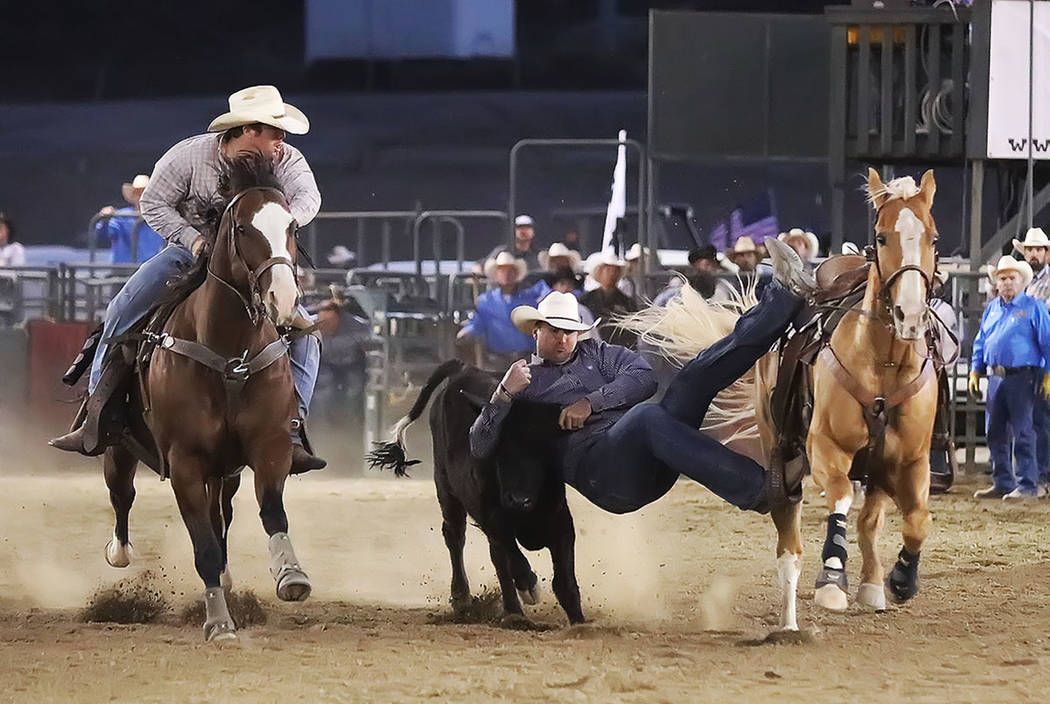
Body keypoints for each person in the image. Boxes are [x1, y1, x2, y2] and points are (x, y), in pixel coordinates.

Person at [51, 85, 326, 473]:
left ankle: (291, 430)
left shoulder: (288, 161)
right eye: (274, 132)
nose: (282, 142)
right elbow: (153, 203)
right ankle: (96, 413)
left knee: (306, 335)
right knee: (121, 311)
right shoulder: (189, 156)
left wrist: (278, 224)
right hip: (186, 254)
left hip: (253, 262)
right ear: (248, 129)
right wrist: (193, 239)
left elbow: (308, 199)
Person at [469, 237, 816, 516]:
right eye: (555, 331)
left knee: (694, 375)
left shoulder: (598, 354)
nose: (563, 339)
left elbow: (644, 378)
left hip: (645, 457)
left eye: (569, 331)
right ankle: (757, 489)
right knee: (647, 416)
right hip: (602, 476)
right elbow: (479, 445)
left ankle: (783, 299)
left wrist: (591, 402)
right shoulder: (524, 383)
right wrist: (502, 396)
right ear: (536, 332)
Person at [969, 256, 1050, 501]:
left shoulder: (1034, 307)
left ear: (1021, 281)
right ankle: (1003, 481)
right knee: (994, 432)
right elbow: (981, 341)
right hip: (995, 377)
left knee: (1024, 431)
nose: (1006, 283)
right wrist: (976, 369)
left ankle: (1027, 484)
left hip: (1022, 376)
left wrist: (1047, 375)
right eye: (1002, 278)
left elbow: (1047, 342)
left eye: (1011, 278)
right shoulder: (992, 308)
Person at [457, 251, 551, 369]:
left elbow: (547, 291)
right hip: (496, 360)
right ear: (496, 275)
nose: (506, 275)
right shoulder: (485, 300)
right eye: (502, 271)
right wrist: (467, 331)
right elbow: (477, 323)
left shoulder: (529, 298)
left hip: (526, 359)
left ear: (516, 275)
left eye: (510, 271)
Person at [1014, 227, 1050, 491]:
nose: (1034, 254)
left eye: (1038, 249)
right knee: (1028, 419)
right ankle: (1032, 474)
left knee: (1042, 419)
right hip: (1026, 358)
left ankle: (1044, 473)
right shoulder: (1019, 281)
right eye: (1030, 249)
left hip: (1044, 355)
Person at [95, 175, 165, 264]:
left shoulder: (161, 217)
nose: (141, 196)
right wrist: (105, 219)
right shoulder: (121, 217)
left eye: (146, 192)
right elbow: (104, 233)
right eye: (138, 192)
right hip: (124, 272)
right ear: (133, 195)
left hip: (152, 272)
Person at [581, 250, 638, 349]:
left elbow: (633, 332)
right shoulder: (586, 300)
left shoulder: (627, 303)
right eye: (607, 270)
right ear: (599, 272)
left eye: (615, 270)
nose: (611, 274)